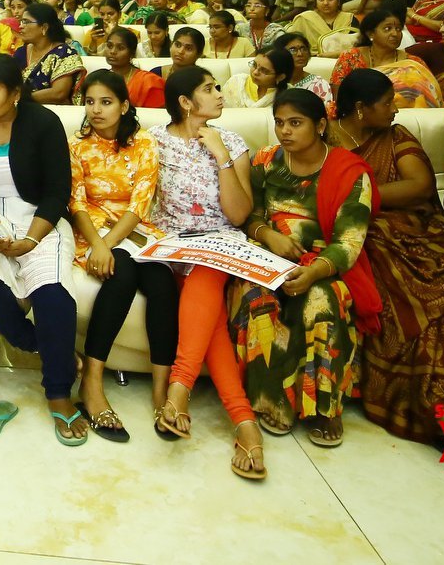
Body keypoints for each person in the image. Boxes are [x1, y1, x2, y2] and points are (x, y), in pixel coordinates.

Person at [328, 69, 444, 450]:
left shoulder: (395, 136)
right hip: (357, 232)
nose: (395, 110)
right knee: (393, 288)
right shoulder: (325, 137)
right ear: (360, 108)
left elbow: (419, 185)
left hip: (412, 229)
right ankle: (429, 409)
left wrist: (360, 198)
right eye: (387, 104)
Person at [0, 54, 89, 446]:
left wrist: (30, 240)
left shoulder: (44, 123)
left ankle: (58, 391)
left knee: (54, 296)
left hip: (38, 218)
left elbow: (59, 193)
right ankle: (33, 342)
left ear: (16, 94)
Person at [229, 87, 377, 445]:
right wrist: (268, 235)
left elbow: (350, 241)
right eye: (279, 123)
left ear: (321, 124)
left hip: (323, 264)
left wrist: (314, 271)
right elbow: (251, 214)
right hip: (268, 255)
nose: (285, 131)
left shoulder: (349, 172)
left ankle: (322, 408)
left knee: (321, 303)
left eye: (295, 123)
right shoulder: (266, 160)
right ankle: (271, 400)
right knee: (256, 297)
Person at [151, 66, 267, 479]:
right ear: (185, 102)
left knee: (206, 272)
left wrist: (219, 155)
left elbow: (237, 213)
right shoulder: (155, 142)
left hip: (218, 245)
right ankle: (244, 423)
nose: (220, 95)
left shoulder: (233, 143)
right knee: (211, 317)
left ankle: (178, 389)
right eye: (209, 89)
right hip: (170, 244)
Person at [67, 70, 176, 442]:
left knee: (162, 282)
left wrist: (110, 242)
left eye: (106, 101)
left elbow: (140, 201)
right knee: (122, 274)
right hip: (92, 228)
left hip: (136, 227)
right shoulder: (77, 146)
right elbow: (76, 202)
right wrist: (100, 245)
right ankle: (92, 383)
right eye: (90, 102)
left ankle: (163, 391)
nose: (96, 110)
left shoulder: (144, 143)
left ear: (124, 106)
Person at [333, 8, 440, 108]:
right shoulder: (350, 57)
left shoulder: (413, 63)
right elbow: (338, 97)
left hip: (406, 117)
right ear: (371, 33)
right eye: (387, 28)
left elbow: (431, 97)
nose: (395, 34)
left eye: (398, 29)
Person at [101, 27, 164, 108]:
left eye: (120, 48)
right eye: (109, 46)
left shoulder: (149, 82)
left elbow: (154, 116)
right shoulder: (100, 78)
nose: (112, 51)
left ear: (132, 53)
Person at [273, 32, 335, 112]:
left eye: (303, 49)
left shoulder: (318, 84)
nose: (300, 54)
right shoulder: (272, 80)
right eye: (293, 50)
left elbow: (324, 113)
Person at [226, 48, 291, 109]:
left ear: (280, 77)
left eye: (264, 70)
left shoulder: (289, 95)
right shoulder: (235, 83)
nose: (255, 72)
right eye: (254, 65)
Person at [291, 0, 355, 47]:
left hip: (344, 56)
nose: (325, 3)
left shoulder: (349, 19)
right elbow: (292, 44)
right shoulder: (304, 19)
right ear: (315, 2)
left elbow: (357, 45)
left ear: (338, 1)